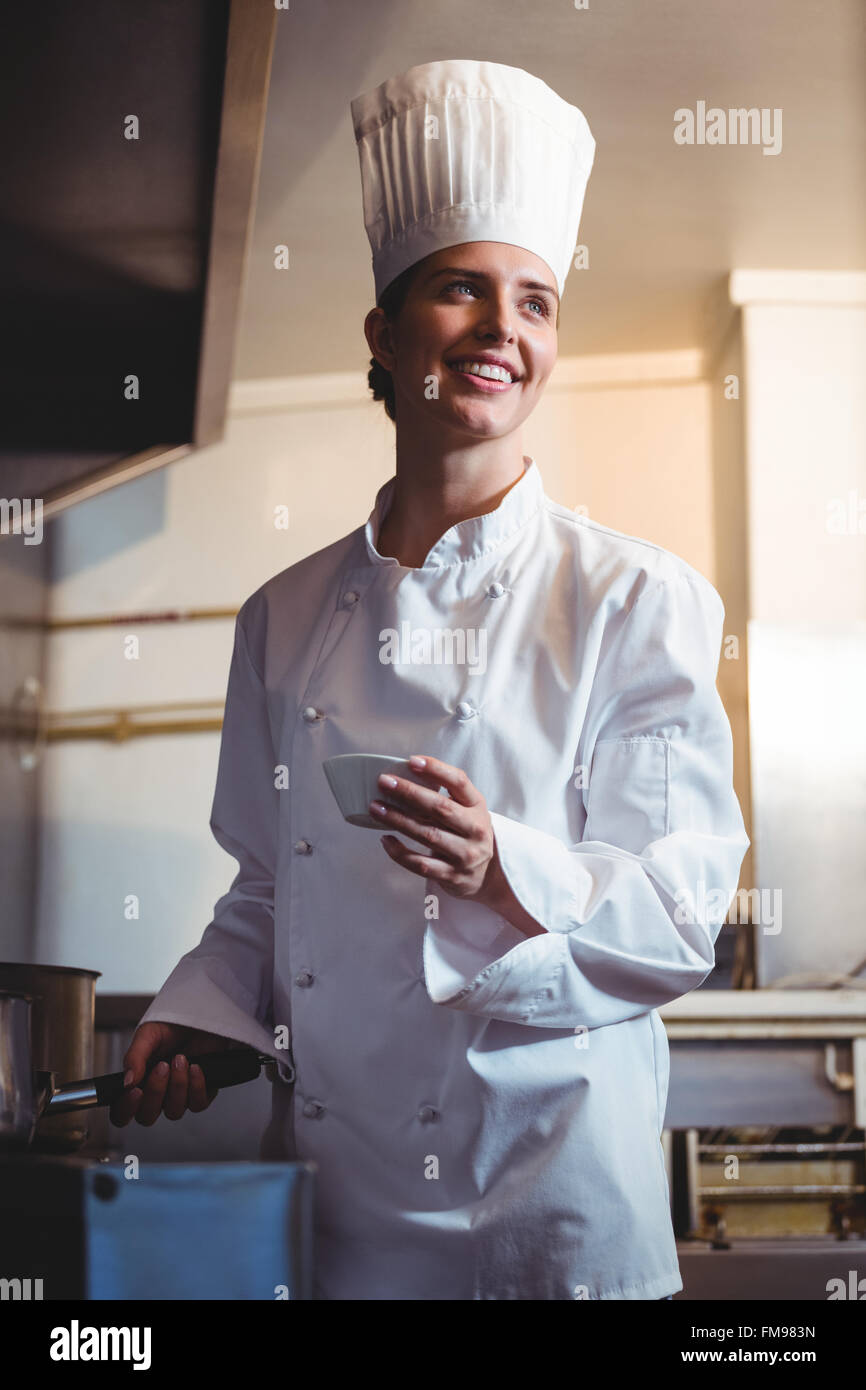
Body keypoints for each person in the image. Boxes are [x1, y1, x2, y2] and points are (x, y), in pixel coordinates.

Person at [111, 59, 749, 1300]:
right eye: (462, 290)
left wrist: (497, 861)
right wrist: (204, 1011)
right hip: (342, 1229)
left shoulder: (633, 599)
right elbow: (266, 885)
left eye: (534, 301)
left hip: (551, 1221)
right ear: (385, 332)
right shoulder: (281, 617)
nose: (504, 330)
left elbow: (678, 917)